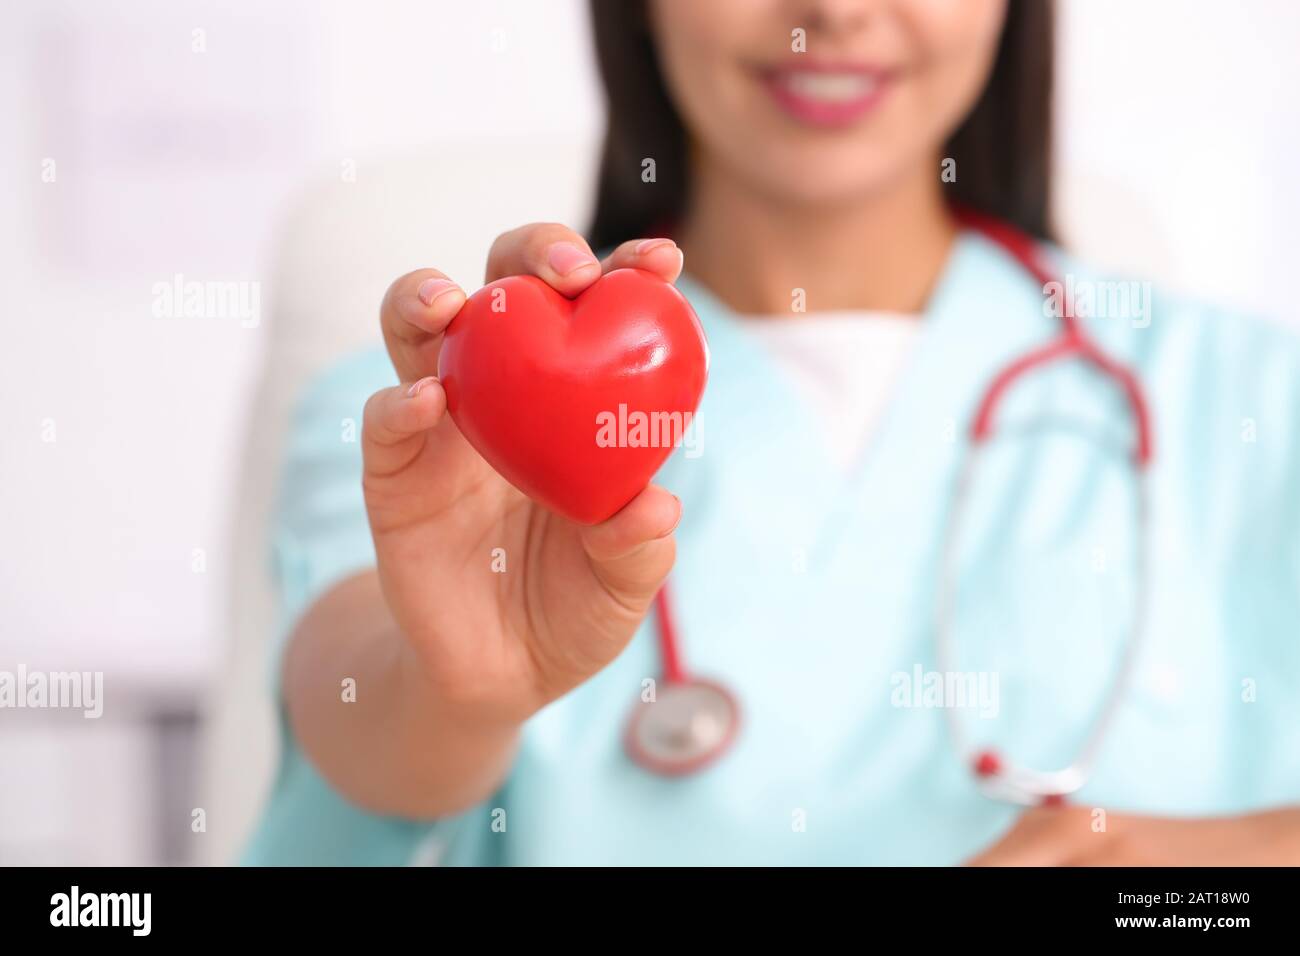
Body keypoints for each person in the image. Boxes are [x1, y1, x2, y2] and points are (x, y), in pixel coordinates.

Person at [244, 0, 1300, 865]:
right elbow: (353, 733)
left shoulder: (1254, 396)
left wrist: (1190, 874)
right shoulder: (437, 411)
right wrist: (455, 688)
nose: (829, 15)